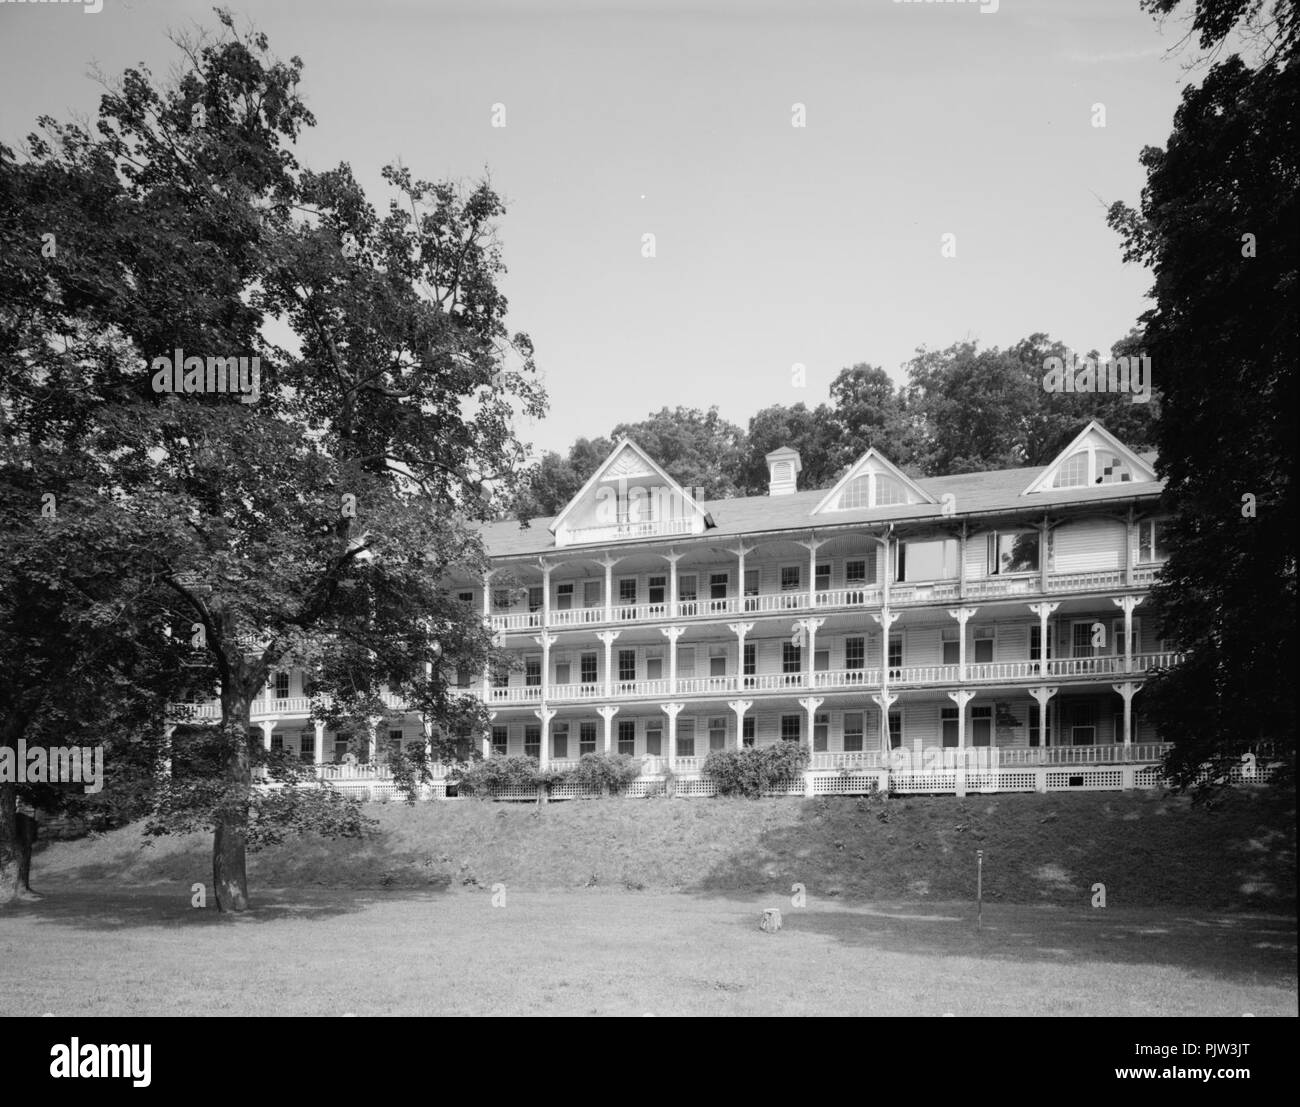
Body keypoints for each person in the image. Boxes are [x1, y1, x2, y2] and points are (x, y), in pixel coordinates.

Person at [15, 797, 41, 900]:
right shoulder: (17, 817)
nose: (17, 804)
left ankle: (21, 886)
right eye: (17, 802)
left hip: (23, 842)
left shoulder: (24, 817)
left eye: (19, 801)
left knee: (22, 861)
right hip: (20, 841)